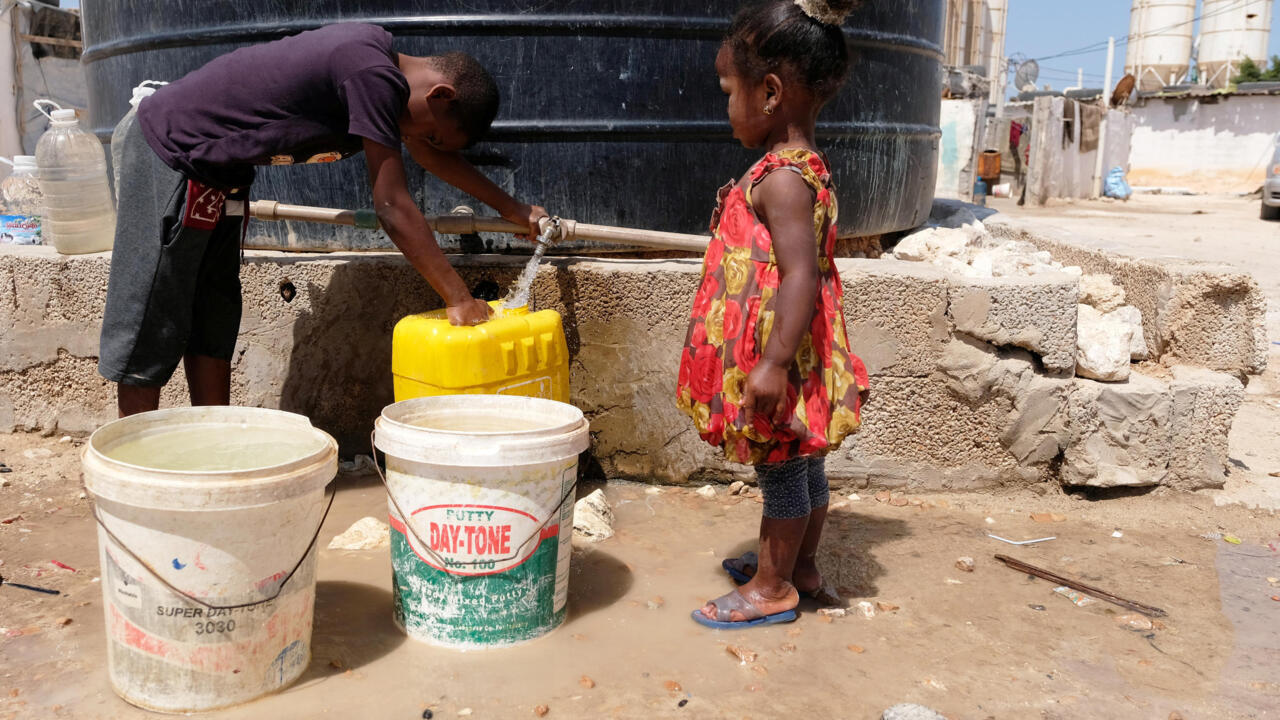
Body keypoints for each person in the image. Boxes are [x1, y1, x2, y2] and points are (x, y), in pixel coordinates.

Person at [99, 23, 546, 417]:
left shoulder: (378, 70)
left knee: (213, 309)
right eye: (430, 131)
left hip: (221, 171)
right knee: (154, 304)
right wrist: (457, 296)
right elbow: (391, 205)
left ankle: (213, 441)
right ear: (441, 94)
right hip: (171, 149)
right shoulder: (369, 71)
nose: (420, 140)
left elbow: (429, 157)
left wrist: (511, 208)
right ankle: (133, 456)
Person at [676, 0, 870, 629]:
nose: (724, 104)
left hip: (780, 355)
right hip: (793, 349)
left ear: (769, 92)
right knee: (805, 461)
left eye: (728, 90)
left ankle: (772, 588)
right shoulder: (802, 166)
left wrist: (774, 363)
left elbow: (800, 274)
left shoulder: (782, 179)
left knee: (781, 469)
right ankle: (801, 568)